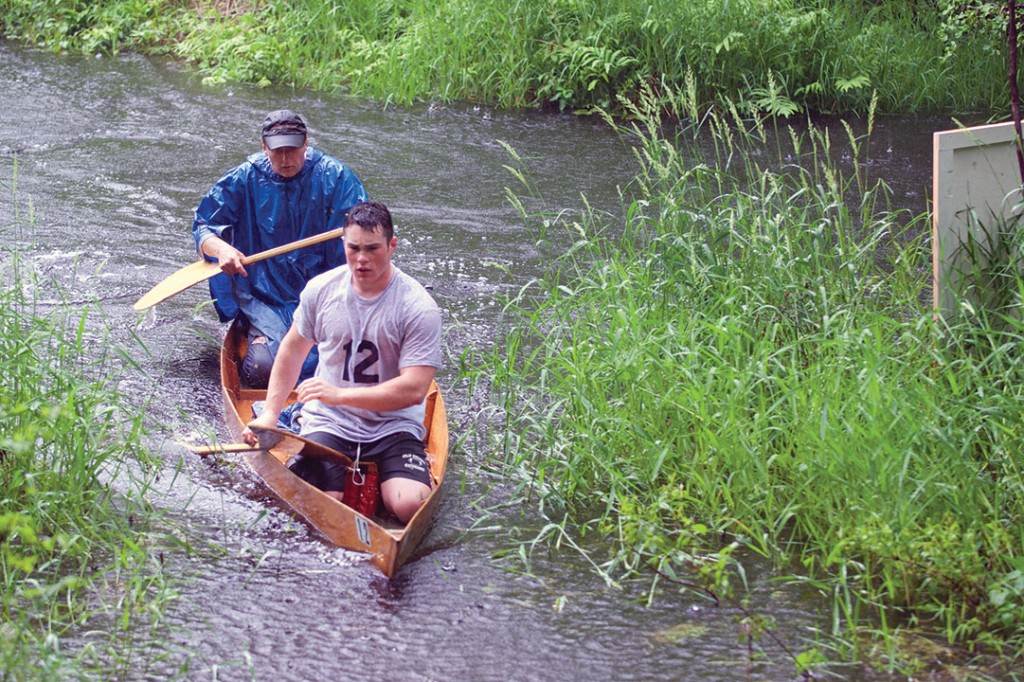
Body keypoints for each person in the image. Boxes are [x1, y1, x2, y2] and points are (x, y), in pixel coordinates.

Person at [241, 201, 442, 524]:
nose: (362, 259)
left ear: (392, 246)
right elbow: (292, 351)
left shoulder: (418, 307)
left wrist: (339, 395)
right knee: (323, 503)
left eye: (373, 249)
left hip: (394, 425)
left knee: (411, 505)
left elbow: (415, 389)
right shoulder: (322, 291)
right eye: (354, 248)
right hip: (330, 421)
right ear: (343, 244)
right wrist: (270, 414)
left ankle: (384, 490)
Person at [192, 108, 369, 388]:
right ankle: (256, 329)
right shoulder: (245, 177)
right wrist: (222, 249)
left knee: (345, 366)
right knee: (264, 371)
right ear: (264, 147)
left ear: (305, 144)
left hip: (323, 293)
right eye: (277, 151)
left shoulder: (335, 177)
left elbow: (365, 232)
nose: (286, 159)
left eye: (292, 150)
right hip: (265, 294)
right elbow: (204, 225)